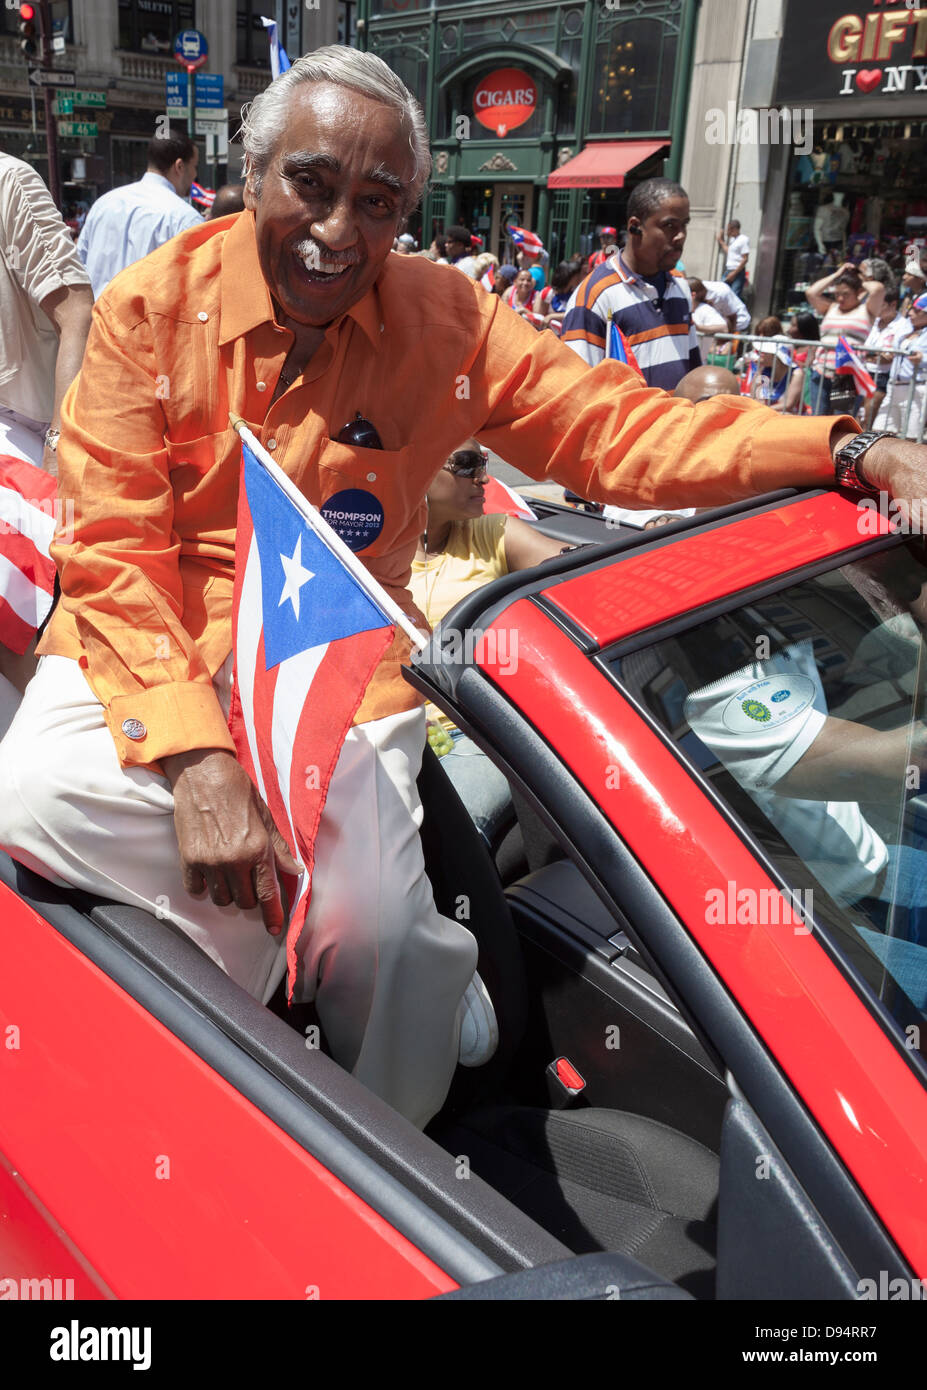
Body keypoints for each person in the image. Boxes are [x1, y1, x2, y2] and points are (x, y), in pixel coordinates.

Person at [2, 46, 926, 1137]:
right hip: (154, 640)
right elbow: (110, 545)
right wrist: (202, 762)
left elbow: (619, 431)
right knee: (28, 802)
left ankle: (394, 1145)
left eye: (377, 201)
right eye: (311, 183)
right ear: (248, 177)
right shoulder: (145, 310)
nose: (339, 230)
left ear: (405, 214)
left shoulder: (449, 320)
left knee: (379, 941)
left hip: (334, 663)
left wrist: (854, 447)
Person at [410, 442, 562, 842]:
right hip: (390, 738)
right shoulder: (365, 552)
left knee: (444, 836)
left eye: (485, 463)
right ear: (417, 466)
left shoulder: (495, 532)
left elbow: (577, 569)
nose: (484, 478)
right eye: (466, 464)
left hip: (471, 733)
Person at [0, 151, 93, 735]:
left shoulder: (8, 181)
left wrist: (62, 442)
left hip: (25, 439)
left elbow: (77, 311)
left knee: (22, 620)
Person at [560, 177, 700, 390]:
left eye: (684, 225)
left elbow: (693, 372)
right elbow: (577, 391)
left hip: (678, 422)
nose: (681, 236)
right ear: (635, 227)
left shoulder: (680, 285)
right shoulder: (595, 295)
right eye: (670, 226)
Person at [602, 366, 740, 531]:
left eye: (734, 404)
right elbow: (615, 517)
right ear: (680, 409)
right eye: (709, 404)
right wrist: (658, 522)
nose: (723, 414)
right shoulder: (645, 455)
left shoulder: (749, 457)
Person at [77, 131, 202, 298]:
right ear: (179, 166)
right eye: (194, 166)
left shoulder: (103, 204)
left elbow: (79, 268)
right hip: (149, 322)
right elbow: (198, 289)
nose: (195, 175)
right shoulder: (185, 218)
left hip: (99, 319)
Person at [805, 263, 886, 414]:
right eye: (837, 294)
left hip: (849, 376)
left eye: (846, 294)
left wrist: (858, 277)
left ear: (858, 292)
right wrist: (838, 273)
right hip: (822, 371)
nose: (840, 298)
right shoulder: (830, 308)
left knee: (841, 423)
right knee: (817, 420)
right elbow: (811, 292)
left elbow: (877, 289)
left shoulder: (866, 310)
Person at [874, 293, 927, 440]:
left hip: (916, 389)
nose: (910, 312)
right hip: (894, 386)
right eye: (912, 308)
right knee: (880, 431)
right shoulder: (906, 327)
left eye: (917, 310)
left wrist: (923, 358)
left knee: (911, 438)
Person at [862, 286, 909, 429]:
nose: (876, 309)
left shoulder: (903, 326)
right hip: (863, 372)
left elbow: (889, 357)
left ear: (893, 304)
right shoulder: (872, 321)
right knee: (859, 416)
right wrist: (874, 355)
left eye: (880, 305)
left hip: (883, 376)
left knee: (869, 416)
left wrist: (871, 355)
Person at [716, 219, 750, 298]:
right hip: (729, 270)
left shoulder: (743, 239)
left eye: (728, 229)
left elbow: (745, 259)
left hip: (737, 271)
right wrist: (721, 241)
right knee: (721, 292)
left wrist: (734, 273)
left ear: (734, 229)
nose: (727, 231)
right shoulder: (732, 240)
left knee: (734, 296)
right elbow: (730, 253)